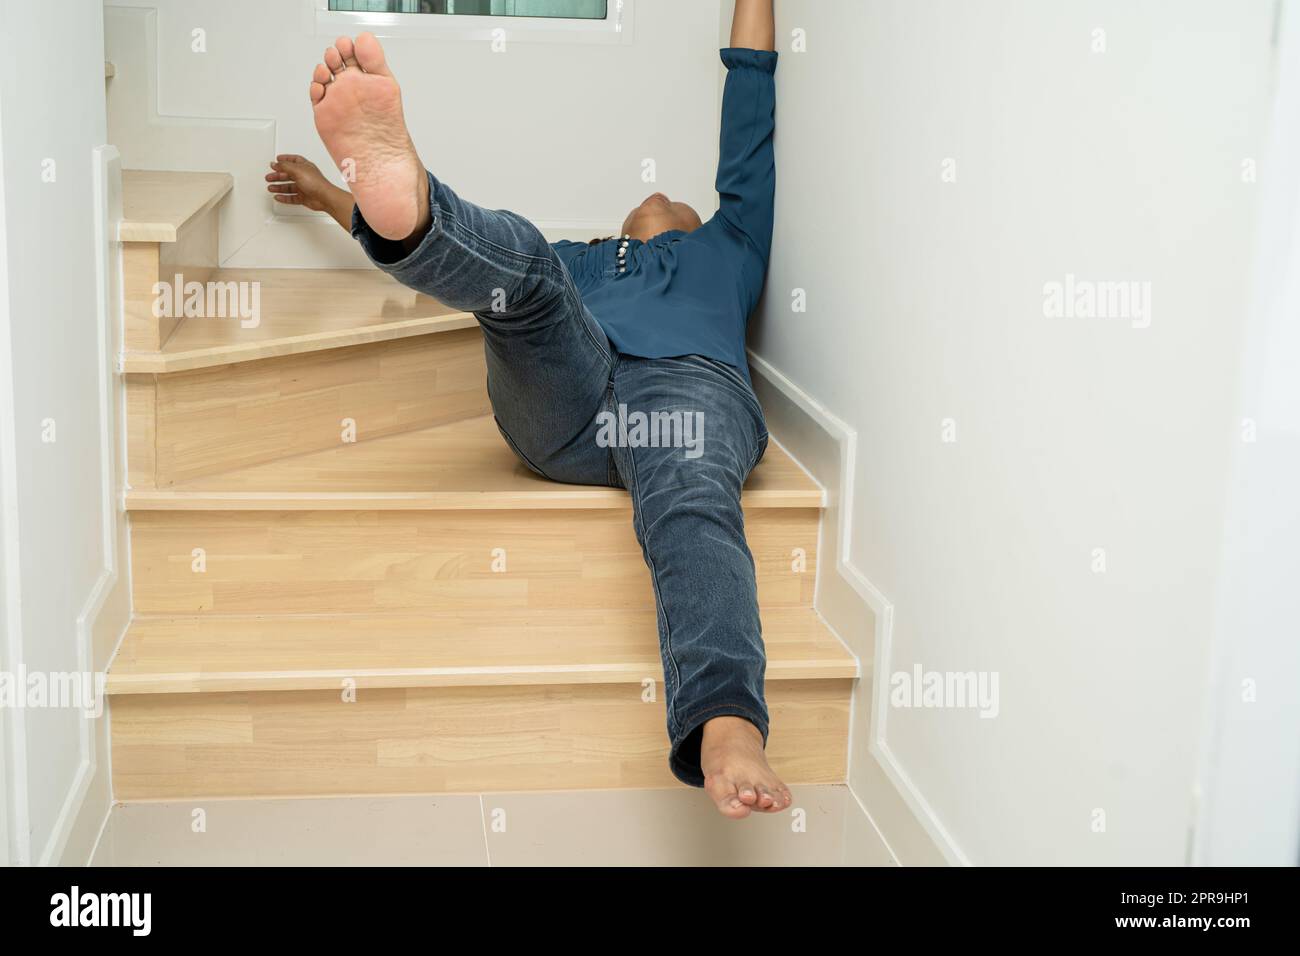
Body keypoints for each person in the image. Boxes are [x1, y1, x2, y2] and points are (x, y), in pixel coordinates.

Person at [268, 0, 784, 819]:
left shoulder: (732, 244)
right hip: (568, 406)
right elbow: (484, 270)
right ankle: (413, 208)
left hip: (683, 394)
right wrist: (339, 196)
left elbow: (750, 96)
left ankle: (725, 721)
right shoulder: (580, 262)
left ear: (700, 220)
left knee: (691, 502)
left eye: (676, 200)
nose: (656, 194)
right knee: (528, 270)